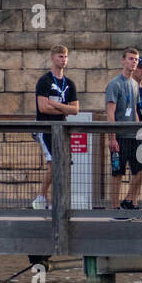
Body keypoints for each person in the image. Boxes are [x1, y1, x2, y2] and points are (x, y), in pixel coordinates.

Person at [32, 45, 79, 210]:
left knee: (63, 163)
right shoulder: (44, 81)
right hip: (45, 128)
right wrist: (63, 106)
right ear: (52, 58)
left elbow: (75, 109)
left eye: (65, 57)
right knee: (54, 163)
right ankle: (42, 197)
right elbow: (43, 107)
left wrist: (54, 104)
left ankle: (56, 200)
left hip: (61, 128)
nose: (63, 60)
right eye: (60, 56)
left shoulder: (70, 84)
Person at [105, 46, 142, 210]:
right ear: (123, 61)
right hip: (120, 135)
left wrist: (141, 133)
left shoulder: (135, 84)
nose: (133, 62)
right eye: (131, 59)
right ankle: (115, 207)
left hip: (133, 134)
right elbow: (110, 113)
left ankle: (129, 200)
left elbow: (135, 111)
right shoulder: (114, 84)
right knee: (117, 172)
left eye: (136, 60)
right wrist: (112, 137)